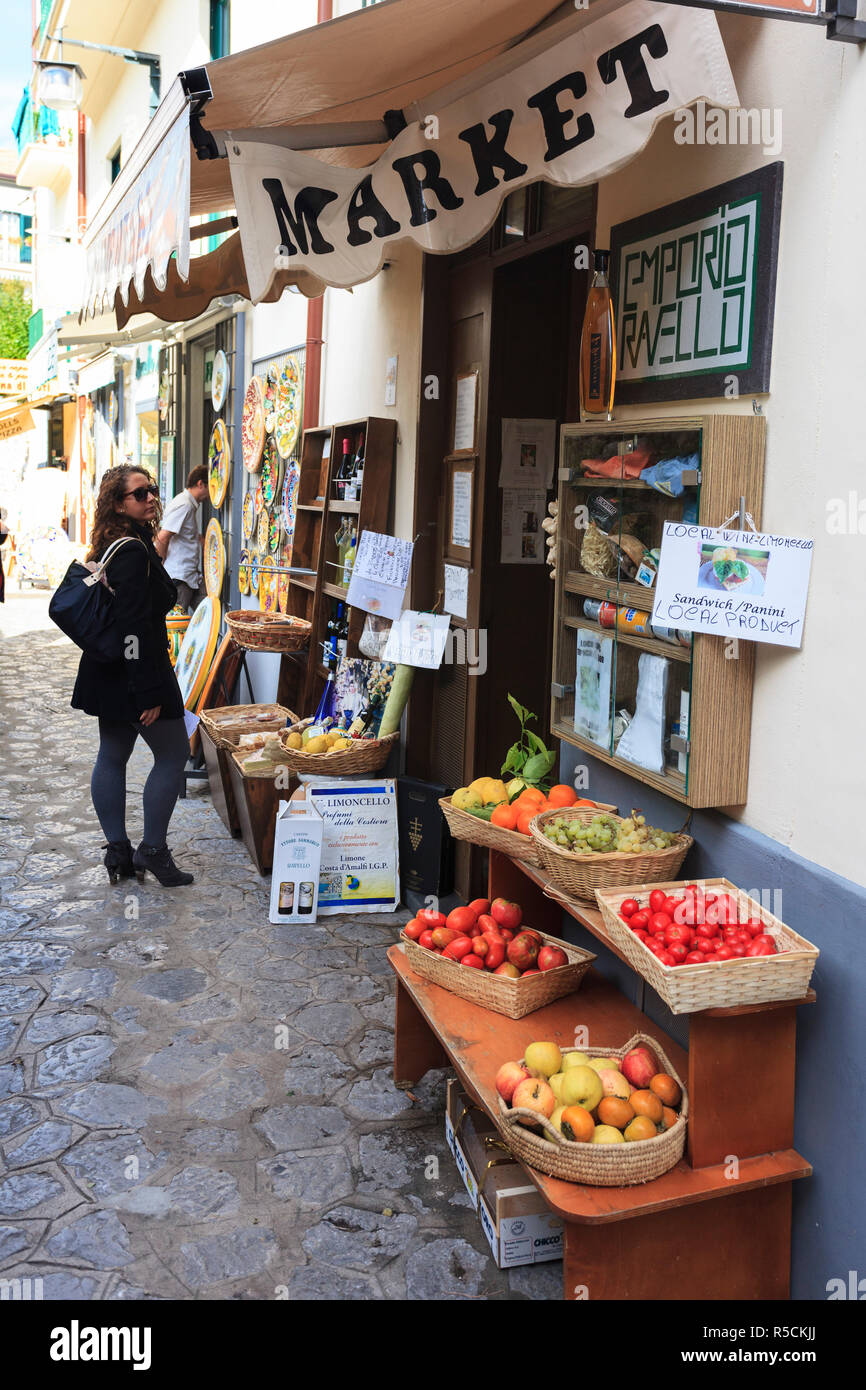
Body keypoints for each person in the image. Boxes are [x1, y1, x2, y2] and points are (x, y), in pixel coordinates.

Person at [71, 465, 193, 887]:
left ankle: (120, 854)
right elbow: (133, 627)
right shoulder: (132, 551)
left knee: (113, 755)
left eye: (153, 490)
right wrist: (147, 692)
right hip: (135, 670)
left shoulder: (119, 542)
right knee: (174, 754)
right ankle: (153, 852)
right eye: (141, 494)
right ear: (120, 503)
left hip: (111, 671)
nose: (151, 498)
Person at [155, 465, 209, 612]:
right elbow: (163, 537)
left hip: (189, 577)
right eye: (210, 486)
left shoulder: (187, 504)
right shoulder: (184, 505)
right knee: (176, 626)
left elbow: (187, 534)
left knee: (207, 615)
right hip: (180, 578)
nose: (210, 494)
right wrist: (159, 568)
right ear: (200, 484)